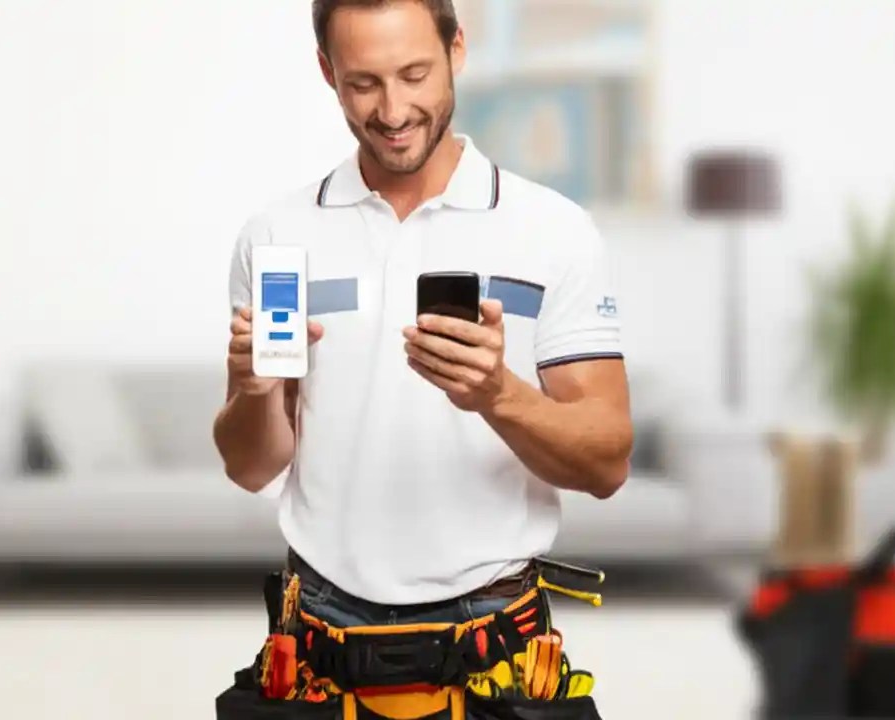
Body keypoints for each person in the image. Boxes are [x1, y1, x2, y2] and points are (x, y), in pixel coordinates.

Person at [213, 0, 631, 713]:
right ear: (328, 72)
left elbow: (607, 464)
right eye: (364, 82)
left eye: (414, 75)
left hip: (494, 643)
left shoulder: (554, 231)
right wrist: (253, 392)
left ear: (457, 49)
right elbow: (251, 466)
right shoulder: (277, 234)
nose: (393, 110)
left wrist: (497, 394)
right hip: (316, 639)